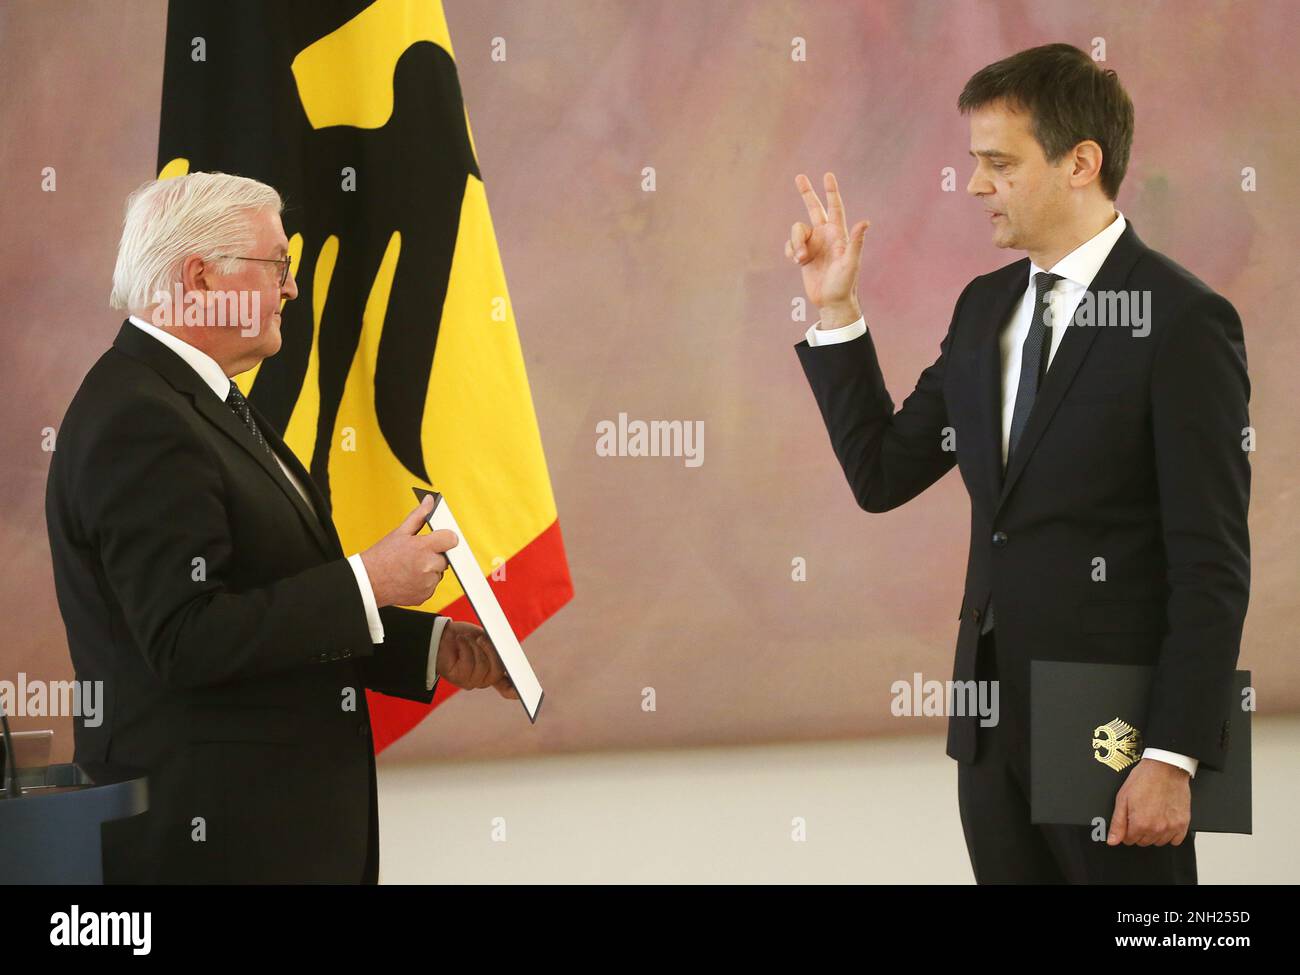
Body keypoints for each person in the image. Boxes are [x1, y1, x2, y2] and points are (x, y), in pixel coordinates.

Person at [787, 43, 1249, 883]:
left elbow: (1212, 564)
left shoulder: (1185, 322)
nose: (973, 185)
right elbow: (882, 474)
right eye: (975, 162)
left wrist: (1174, 754)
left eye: (999, 163)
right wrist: (838, 310)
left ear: (1082, 163)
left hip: (1119, 738)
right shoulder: (983, 309)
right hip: (988, 734)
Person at [45, 171, 515, 883]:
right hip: (210, 846)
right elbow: (185, 638)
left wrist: (430, 644)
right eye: (279, 266)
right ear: (201, 277)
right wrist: (369, 581)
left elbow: (264, 600)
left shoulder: (201, 401)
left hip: (267, 839)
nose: (292, 289)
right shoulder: (139, 419)